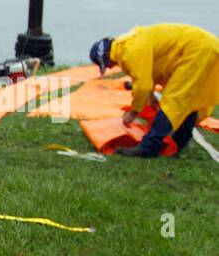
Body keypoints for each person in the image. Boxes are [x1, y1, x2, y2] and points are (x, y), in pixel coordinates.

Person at [89, 24, 219, 157]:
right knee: (189, 96)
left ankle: (149, 147)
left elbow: (143, 85)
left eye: (107, 64)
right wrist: (150, 96)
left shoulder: (130, 52)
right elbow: (148, 71)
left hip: (200, 50)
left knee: (174, 99)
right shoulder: (127, 45)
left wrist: (133, 112)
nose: (110, 68)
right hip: (205, 47)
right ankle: (180, 141)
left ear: (107, 55)